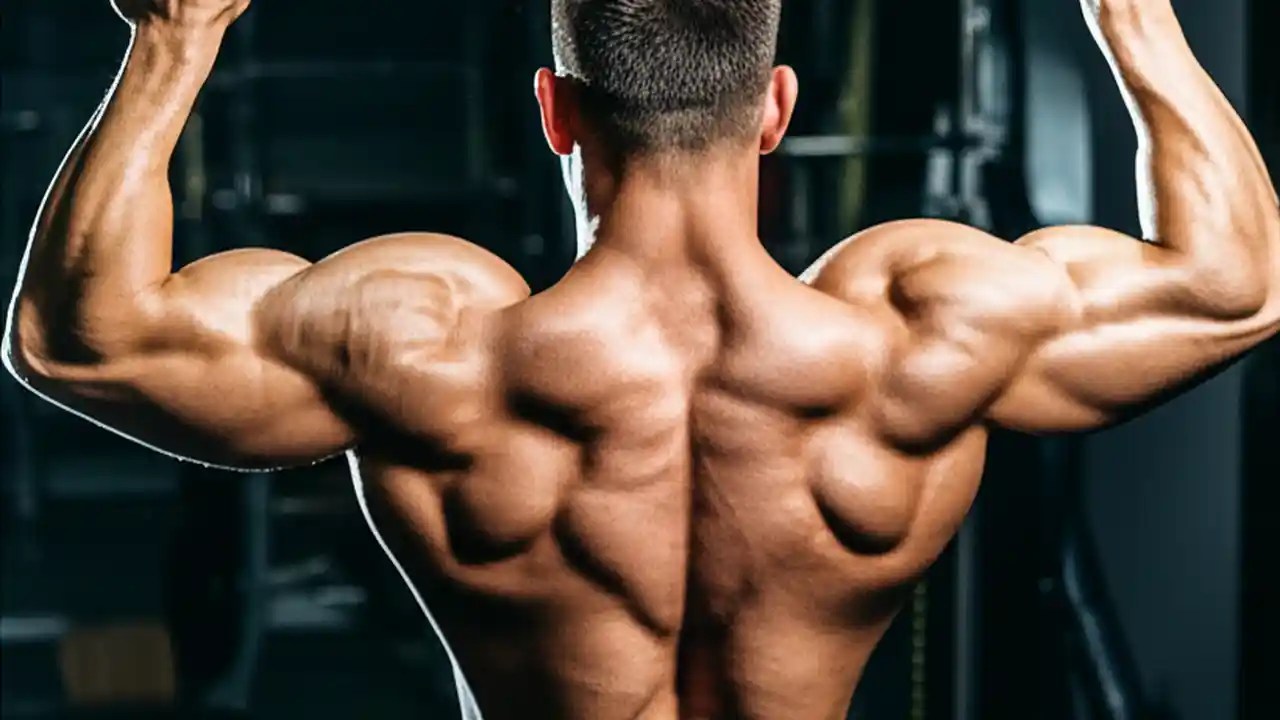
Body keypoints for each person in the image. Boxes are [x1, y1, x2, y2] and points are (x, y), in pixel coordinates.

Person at [4, 0, 1277, 718]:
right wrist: (1137, 21)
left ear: (554, 111)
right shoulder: (914, 339)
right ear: (774, 108)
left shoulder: (430, 346)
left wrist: (171, 41)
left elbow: (77, 338)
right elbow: (1232, 293)